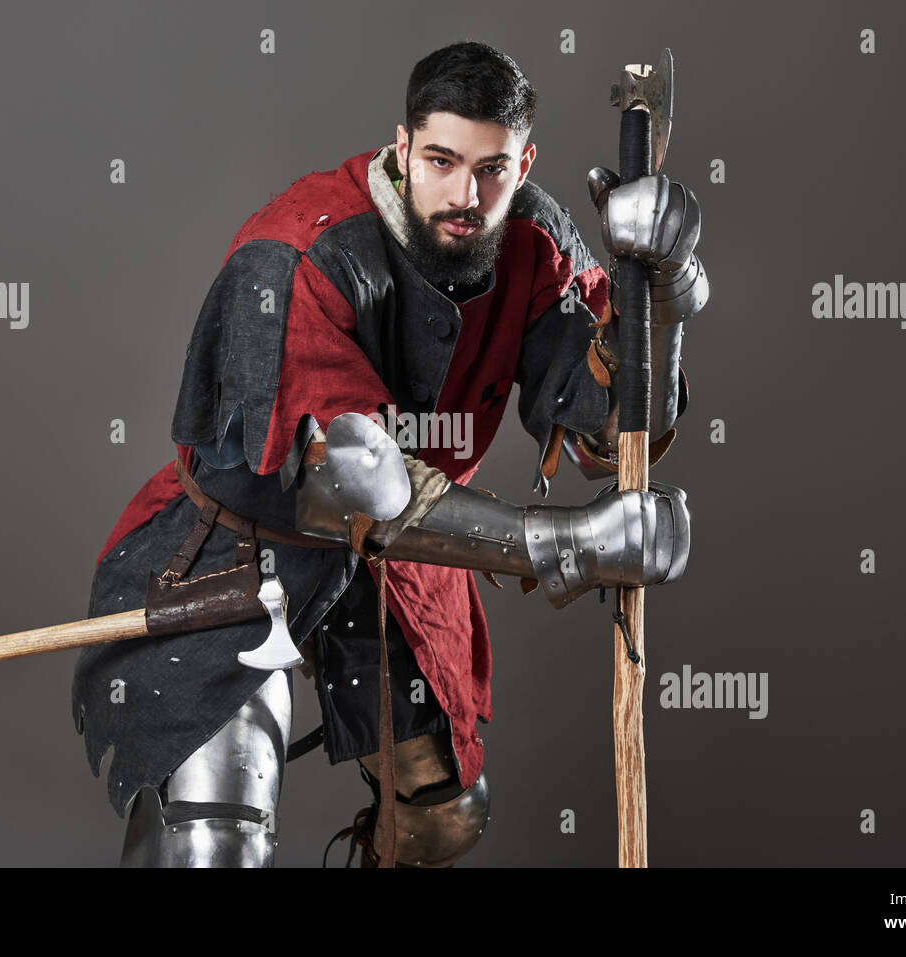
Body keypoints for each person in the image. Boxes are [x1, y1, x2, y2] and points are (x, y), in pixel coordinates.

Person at [71, 39, 707, 867]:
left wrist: (663, 294)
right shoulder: (297, 252)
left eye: (492, 169)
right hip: (237, 545)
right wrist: (567, 543)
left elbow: (606, 431)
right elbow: (351, 484)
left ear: (525, 163)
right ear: (402, 148)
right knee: (210, 840)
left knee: (441, 818)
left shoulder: (534, 238)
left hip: (398, 562)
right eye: (441, 160)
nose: (466, 195)